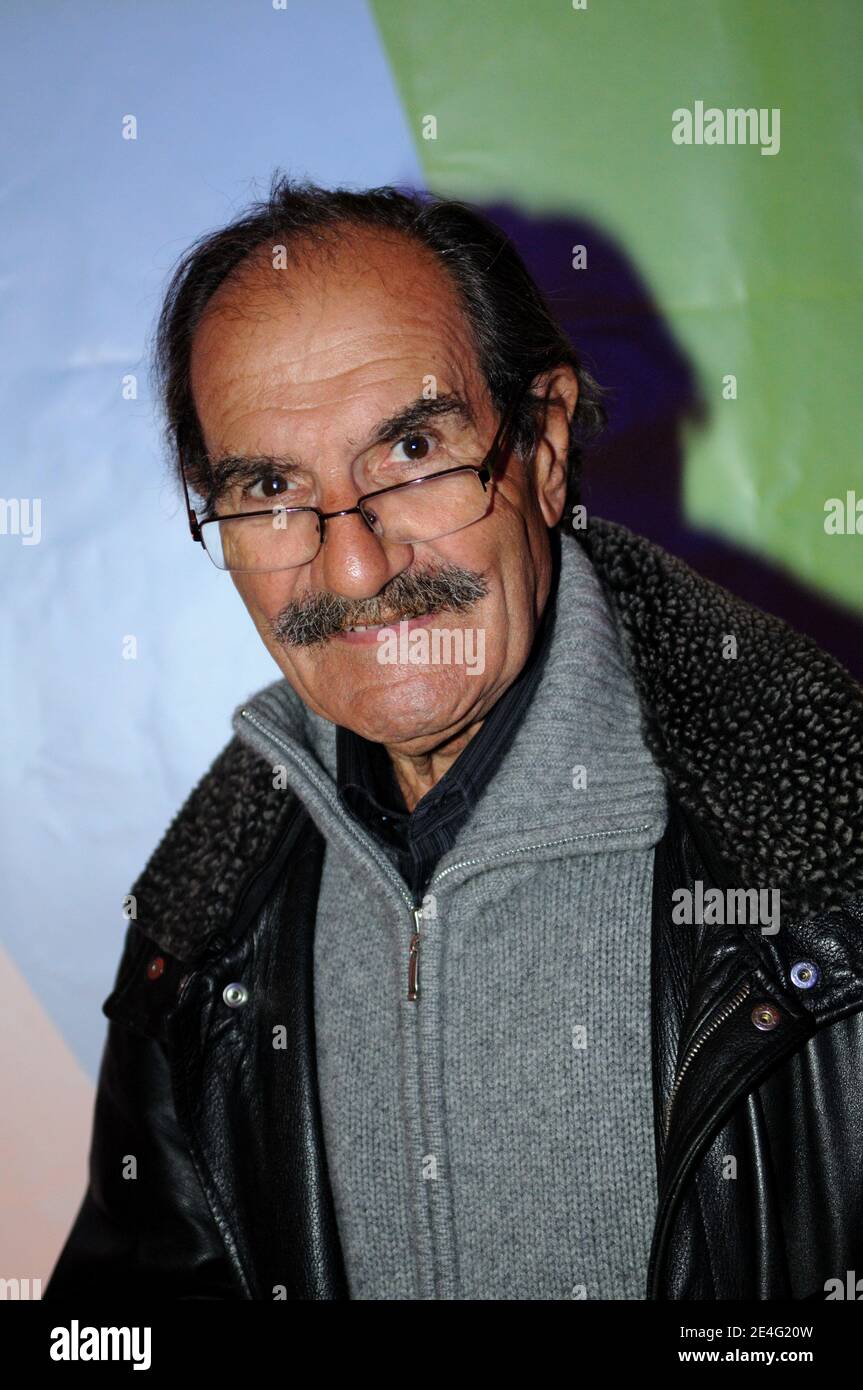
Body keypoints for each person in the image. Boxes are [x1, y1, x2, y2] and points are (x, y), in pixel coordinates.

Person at [45, 178, 863, 1301]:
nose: (352, 568)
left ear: (541, 445)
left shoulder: (828, 860)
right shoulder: (202, 922)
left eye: (413, 449)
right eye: (272, 487)